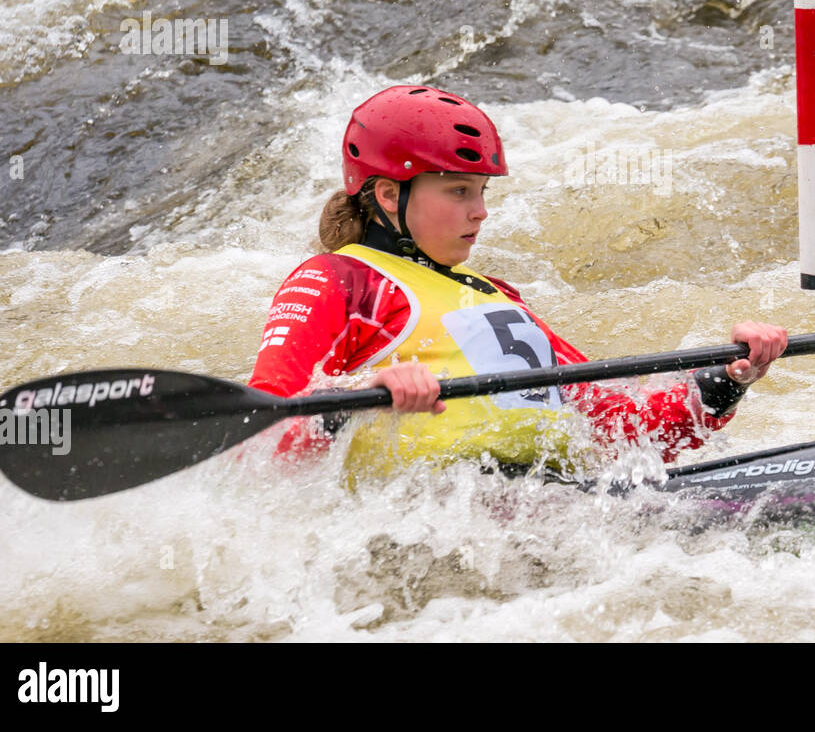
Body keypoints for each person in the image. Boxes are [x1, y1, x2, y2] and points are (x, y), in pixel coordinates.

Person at [248, 84, 787, 479]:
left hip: (549, 501)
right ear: (389, 196)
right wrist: (356, 397)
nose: (480, 212)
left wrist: (724, 383)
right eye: (459, 192)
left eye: (482, 192)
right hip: (426, 522)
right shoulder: (339, 281)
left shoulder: (498, 295)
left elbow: (615, 428)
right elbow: (262, 435)